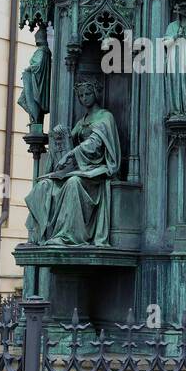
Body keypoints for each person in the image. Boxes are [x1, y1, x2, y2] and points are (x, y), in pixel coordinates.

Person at [24, 77, 120, 246]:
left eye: (88, 94)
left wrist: (72, 153)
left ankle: (69, 236)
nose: (84, 98)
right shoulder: (82, 121)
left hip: (96, 171)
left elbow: (94, 143)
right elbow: (70, 139)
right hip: (82, 169)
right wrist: (60, 137)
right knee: (44, 185)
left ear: (96, 94)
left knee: (73, 183)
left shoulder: (105, 116)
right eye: (81, 95)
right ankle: (39, 234)